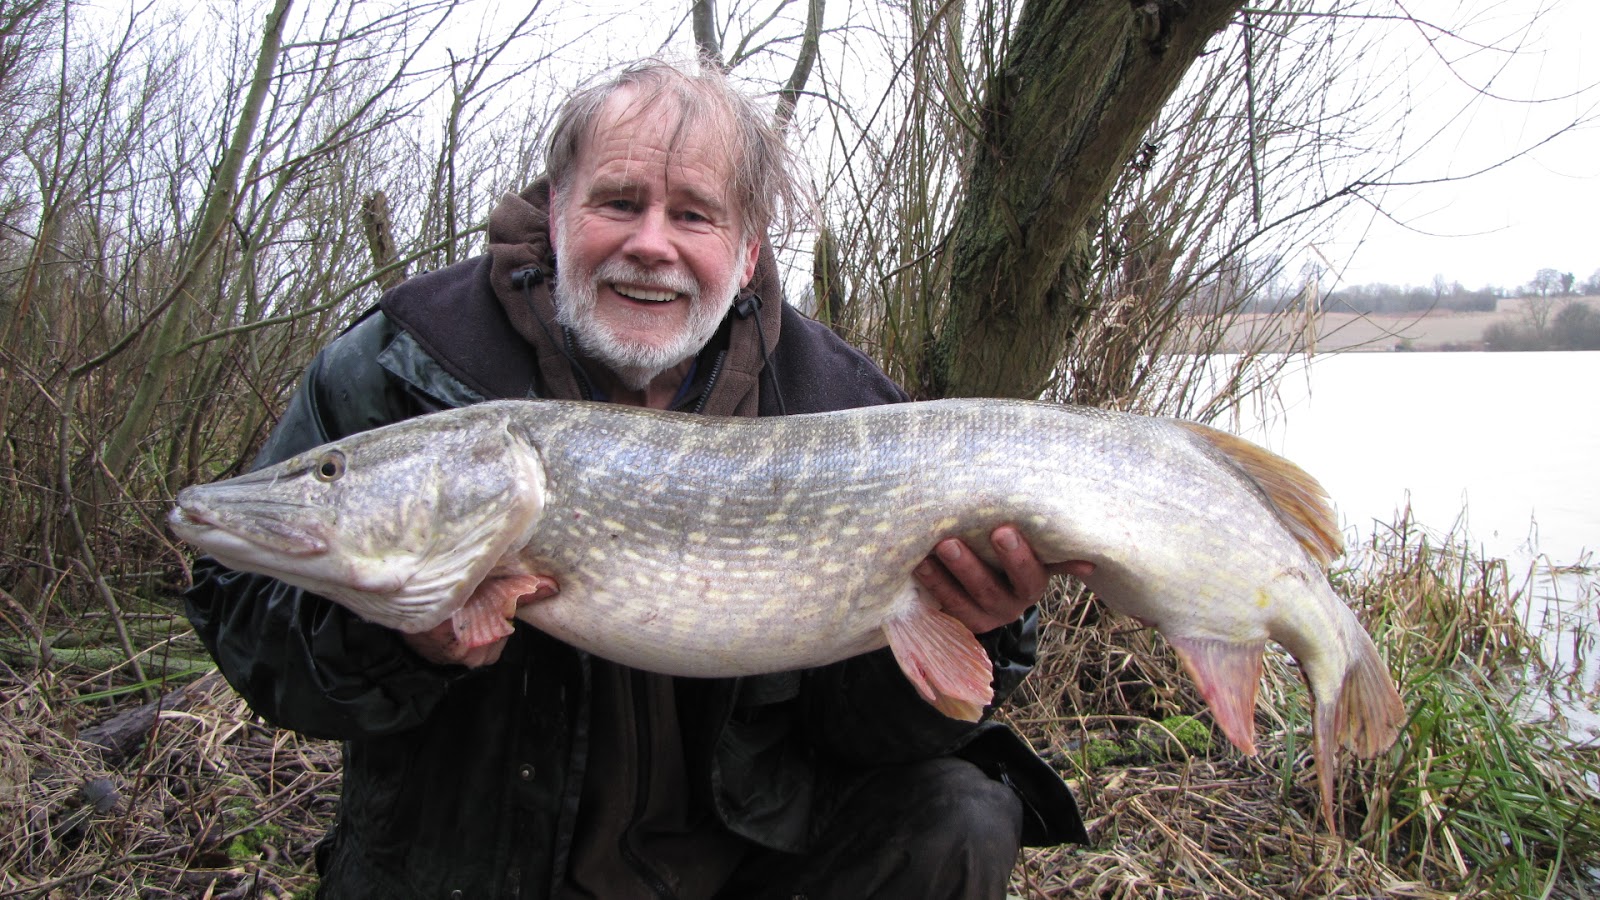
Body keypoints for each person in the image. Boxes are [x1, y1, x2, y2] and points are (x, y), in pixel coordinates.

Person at [186, 58, 1089, 900]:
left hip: (742, 867)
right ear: (557, 211)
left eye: (694, 215)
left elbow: (865, 734)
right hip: (467, 871)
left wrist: (971, 620)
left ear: (745, 252)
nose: (651, 243)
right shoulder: (407, 365)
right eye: (618, 202)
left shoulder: (839, 406)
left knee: (960, 814)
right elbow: (241, 617)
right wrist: (401, 642)